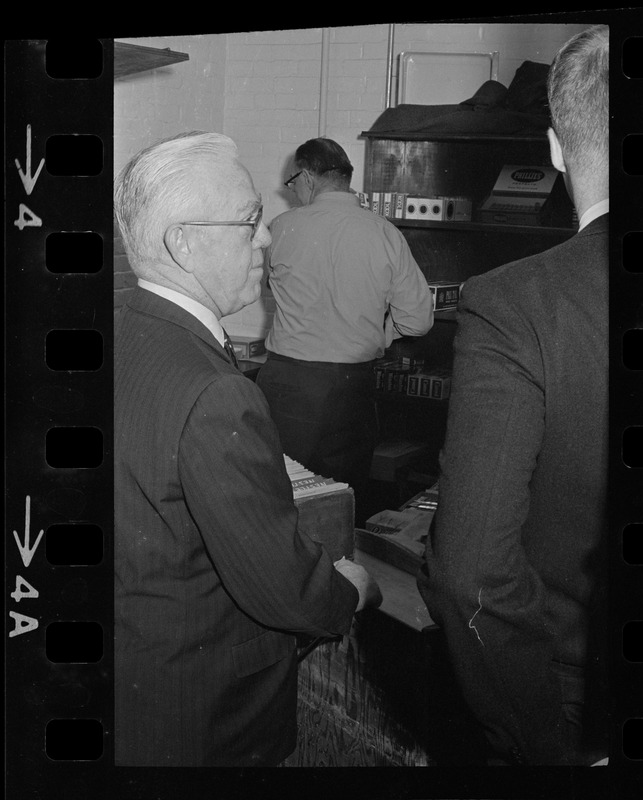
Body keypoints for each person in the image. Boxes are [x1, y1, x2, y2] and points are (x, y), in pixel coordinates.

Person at [113, 131, 380, 767]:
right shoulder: (215, 394)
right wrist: (351, 590)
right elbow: (280, 590)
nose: (265, 238)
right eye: (249, 220)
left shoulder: (121, 329)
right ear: (183, 242)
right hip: (199, 717)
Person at [417, 25, 610, 766]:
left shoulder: (515, 301)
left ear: (557, 148)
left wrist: (544, 750)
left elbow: (469, 574)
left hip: (565, 697)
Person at [255, 138, 434, 509]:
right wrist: (381, 334)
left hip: (290, 384)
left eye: (293, 183)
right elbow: (417, 321)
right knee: (341, 498)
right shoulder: (385, 232)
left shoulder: (283, 227)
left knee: (279, 498)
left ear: (306, 176)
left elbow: (268, 286)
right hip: (353, 388)